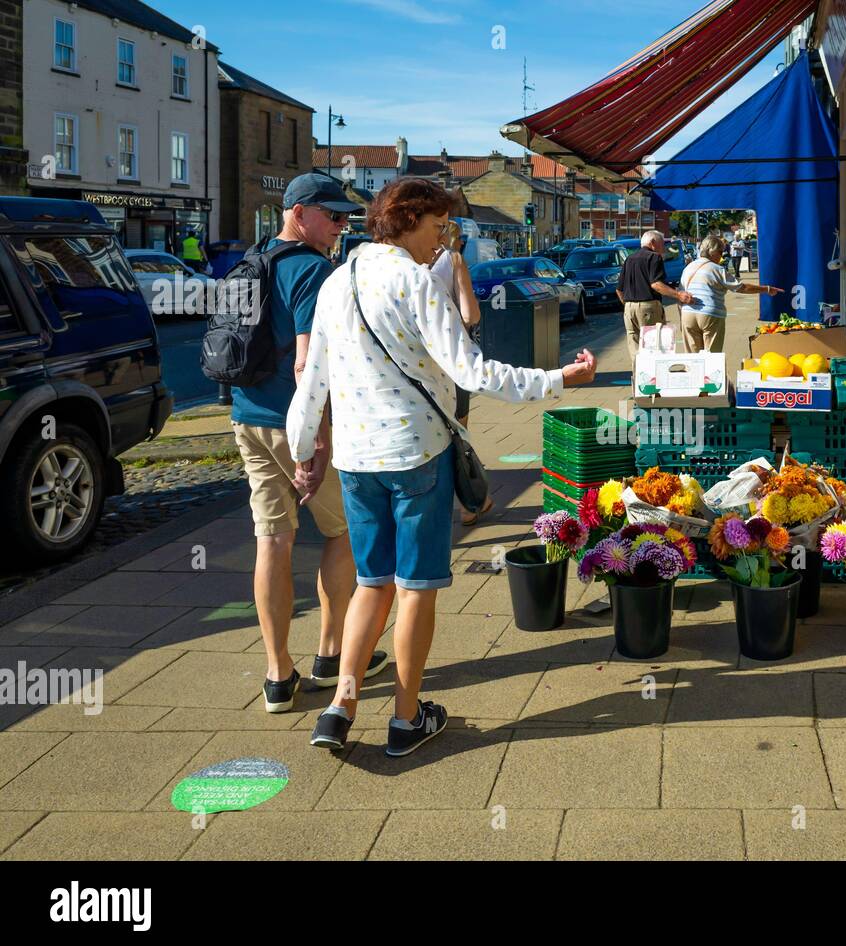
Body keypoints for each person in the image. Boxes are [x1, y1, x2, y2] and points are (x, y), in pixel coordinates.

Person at [288, 178, 598, 757]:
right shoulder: (413, 279)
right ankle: (406, 719)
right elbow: (473, 371)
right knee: (415, 589)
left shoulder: (335, 283)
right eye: (437, 227)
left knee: (370, 583)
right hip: (416, 458)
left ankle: (341, 704)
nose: (442, 241)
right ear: (406, 219)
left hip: (357, 461)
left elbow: (312, 383)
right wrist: (559, 379)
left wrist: (304, 453)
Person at [229, 173, 389, 714]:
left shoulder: (252, 262)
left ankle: (278, 676)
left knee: (272, 540)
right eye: (334, 215)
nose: (343, 226)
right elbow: (306, 366)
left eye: (347, 217)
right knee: (344, 530)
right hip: (296, 424)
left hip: (247, 418)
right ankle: (331, 653)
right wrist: (315, 444)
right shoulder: (315, 271)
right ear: (299, 213)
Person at [430, 219, 494, 525]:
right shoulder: (453, 259)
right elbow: (470, 315)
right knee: (458, 435)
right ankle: (470, 503)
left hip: (411, 364)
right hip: (451, 360)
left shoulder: (397, 261)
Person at [679, 235, 781, 353]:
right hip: (710, 313)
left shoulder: (688, 267)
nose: (722, 255)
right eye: (720, 251)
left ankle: (695, 372)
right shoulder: (717, 269)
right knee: (712, 356)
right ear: (712, 252)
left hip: (688, 313)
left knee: (693, 358)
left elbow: (680, 294)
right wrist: (766, 289)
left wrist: (682, 317)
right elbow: (741, 288)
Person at [616, 230, 695, 362]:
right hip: (648, 306)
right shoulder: (654, 257)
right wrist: (678, 295)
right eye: (661, 244)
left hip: (629, 308)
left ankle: (638, 377)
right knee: (654, 345)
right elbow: (656, 284)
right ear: (652, 243)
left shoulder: (629, 259)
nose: (663, 248)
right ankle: (653, 377)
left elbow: (619, 289)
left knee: (634, 347)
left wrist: (627, 305)